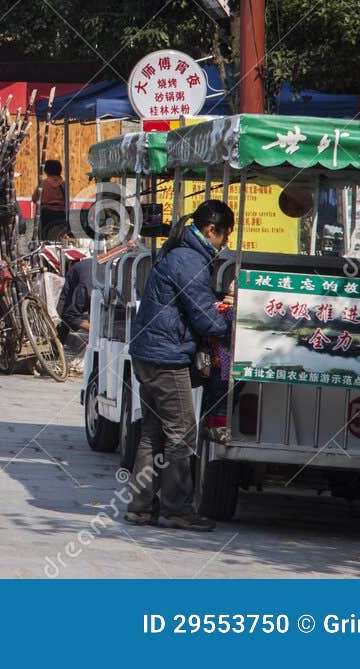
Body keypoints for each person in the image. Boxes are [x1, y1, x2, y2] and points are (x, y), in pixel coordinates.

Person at [125, 200, 233, 532]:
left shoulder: (182, 252)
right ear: (211, 230)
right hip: (166, 358)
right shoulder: (190, 261)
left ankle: (140, 507)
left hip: (149, 353)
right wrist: (229, 318)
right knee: (182, 434)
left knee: (153, 433)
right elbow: (206, 320)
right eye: (224, 236)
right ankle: (177, 508)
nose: (225, 244)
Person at [38, 160, 68, 240]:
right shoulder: (63, 183)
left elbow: (34, 199)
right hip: (62, 214)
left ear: (46, 170)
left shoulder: (44, 183)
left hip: (46, 215)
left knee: (43, 238)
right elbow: (67, 200)